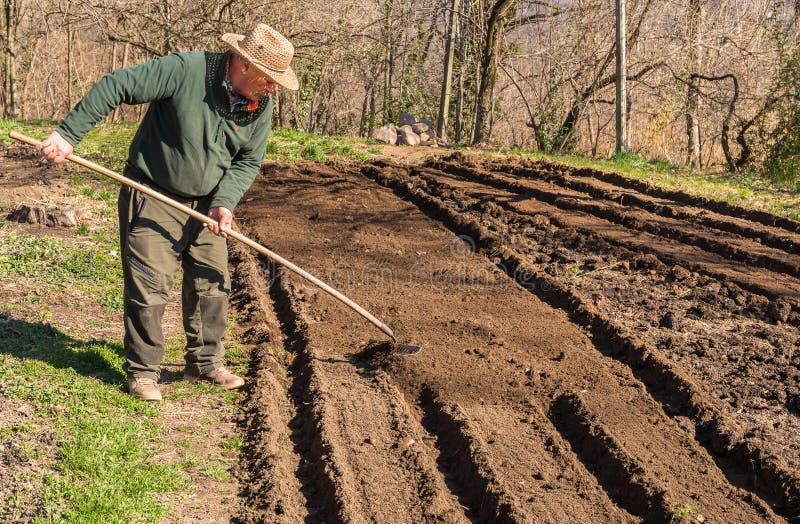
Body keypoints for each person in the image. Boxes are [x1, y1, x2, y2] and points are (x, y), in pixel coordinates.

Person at [37, 23, 299, 401]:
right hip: (153, 193)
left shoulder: (261, 107)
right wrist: (68, 134)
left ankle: (205, 362)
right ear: (243, 63)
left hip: (207, 205)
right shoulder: (185, 70)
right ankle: (143, 372)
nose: (273, 87)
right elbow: (116, 85)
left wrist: (224, 201)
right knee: (150, 284)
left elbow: (247, 160)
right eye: (270, 78)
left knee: (213, 283)